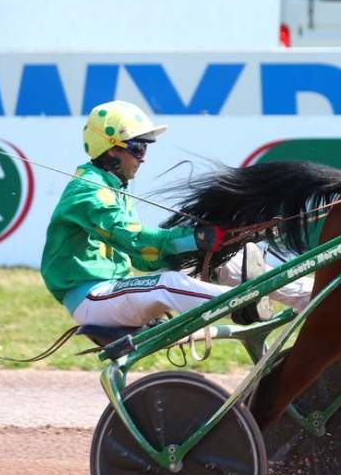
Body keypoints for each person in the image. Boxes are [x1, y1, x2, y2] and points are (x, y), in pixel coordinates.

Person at [40, 100, 312, 329]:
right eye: (138, 147)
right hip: (92, 299)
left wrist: (211, 245)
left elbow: (143, 260)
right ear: (112, 149)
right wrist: (194, 238)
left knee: (228, 260)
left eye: (146, 148)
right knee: (167, 284)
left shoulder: (114, 189)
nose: (143, 158)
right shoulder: (88, 192)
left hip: (115, 291)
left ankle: (309, 296)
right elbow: (136, 241)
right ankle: (243, 301)